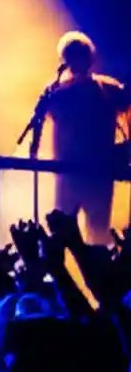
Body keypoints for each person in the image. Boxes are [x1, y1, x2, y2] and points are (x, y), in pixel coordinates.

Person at [42, 31, 131, 240]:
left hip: (82, 172)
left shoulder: (63, 92)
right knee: (77, 232)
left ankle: (80, 270)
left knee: (84, 232)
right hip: (84, 172)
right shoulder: (63, 91)